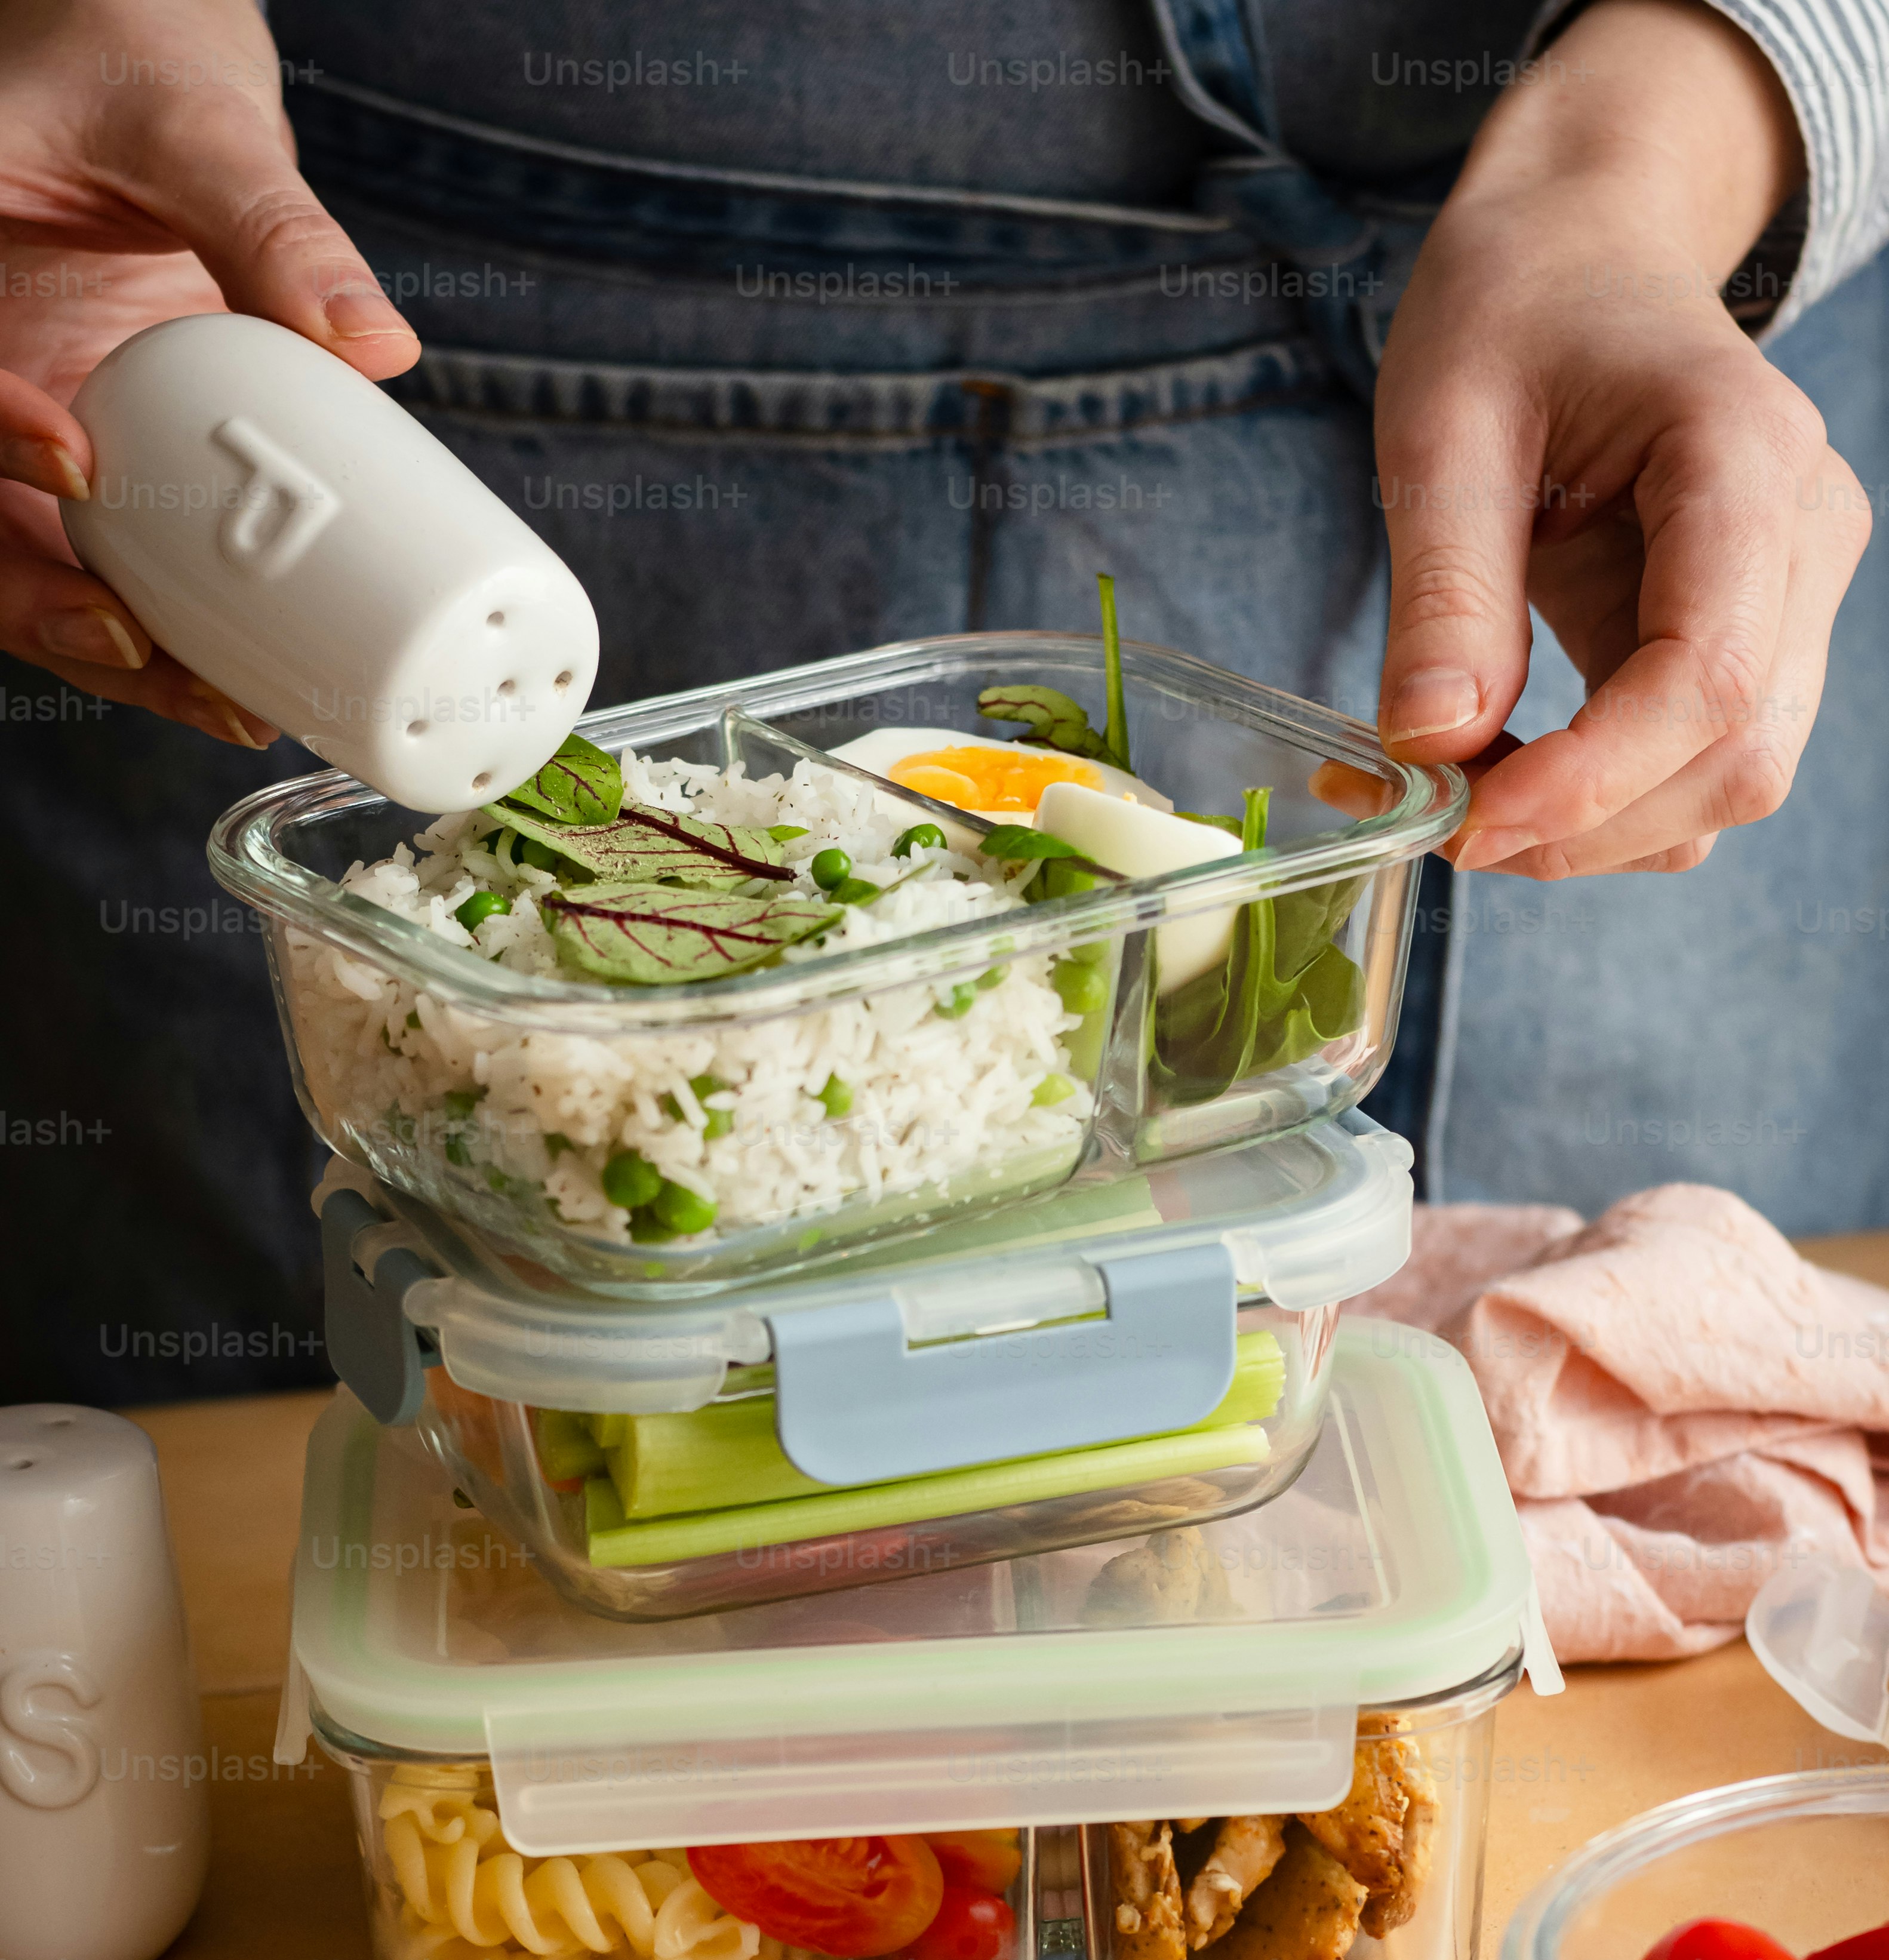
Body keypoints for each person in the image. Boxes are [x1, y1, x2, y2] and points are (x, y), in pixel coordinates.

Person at [1, 0, 1883, 1401]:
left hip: (1661, 325)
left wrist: (1621, 192)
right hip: (432, 300)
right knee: (409, 1507)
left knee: (1606, 1447)